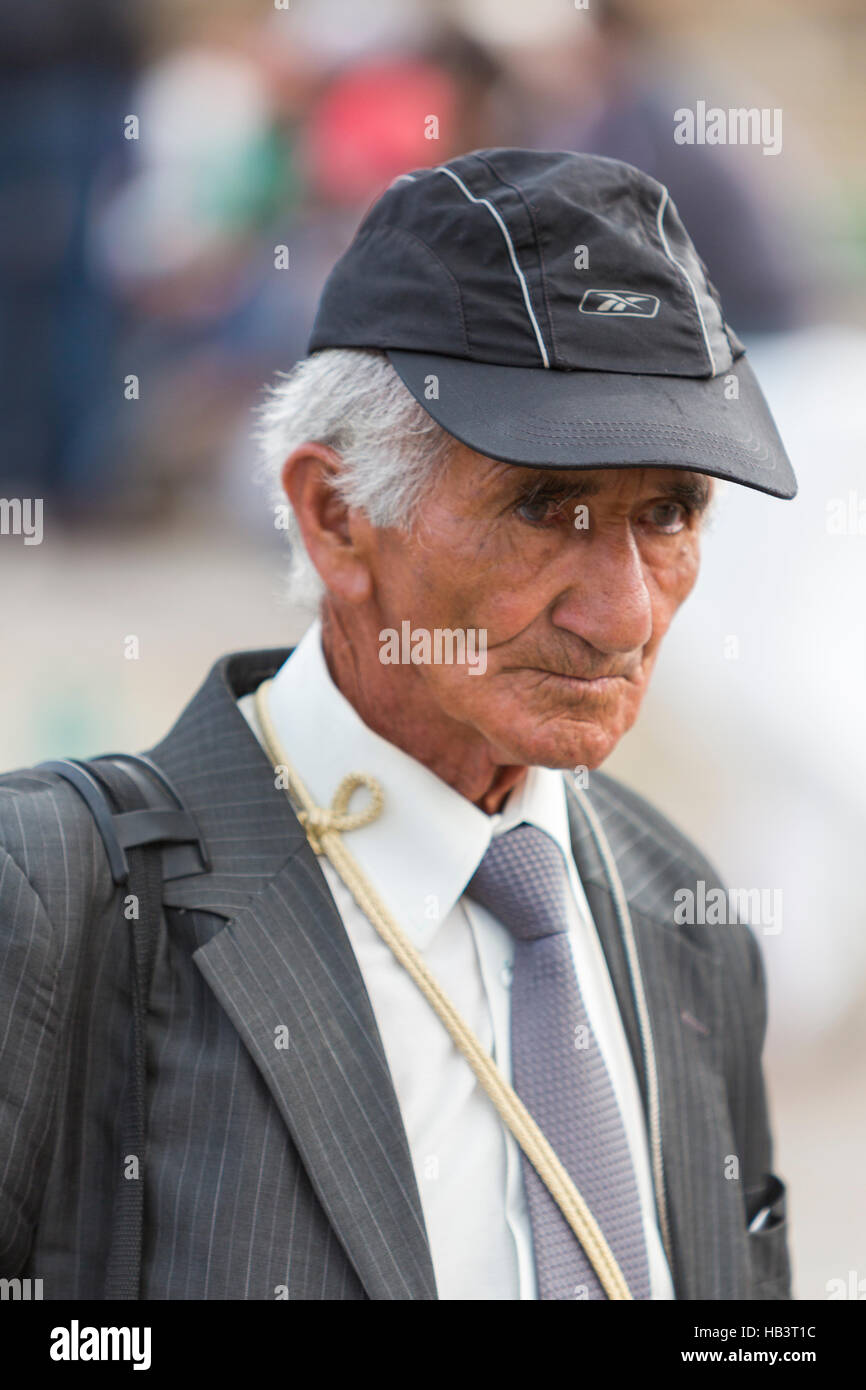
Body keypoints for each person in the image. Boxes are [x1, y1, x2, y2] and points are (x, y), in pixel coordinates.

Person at [0, 149, 794, 1301]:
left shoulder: (684, 918)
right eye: (541, 508)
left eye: (668, 512)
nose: (623, 611)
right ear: (334, 519)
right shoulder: (52, 901)